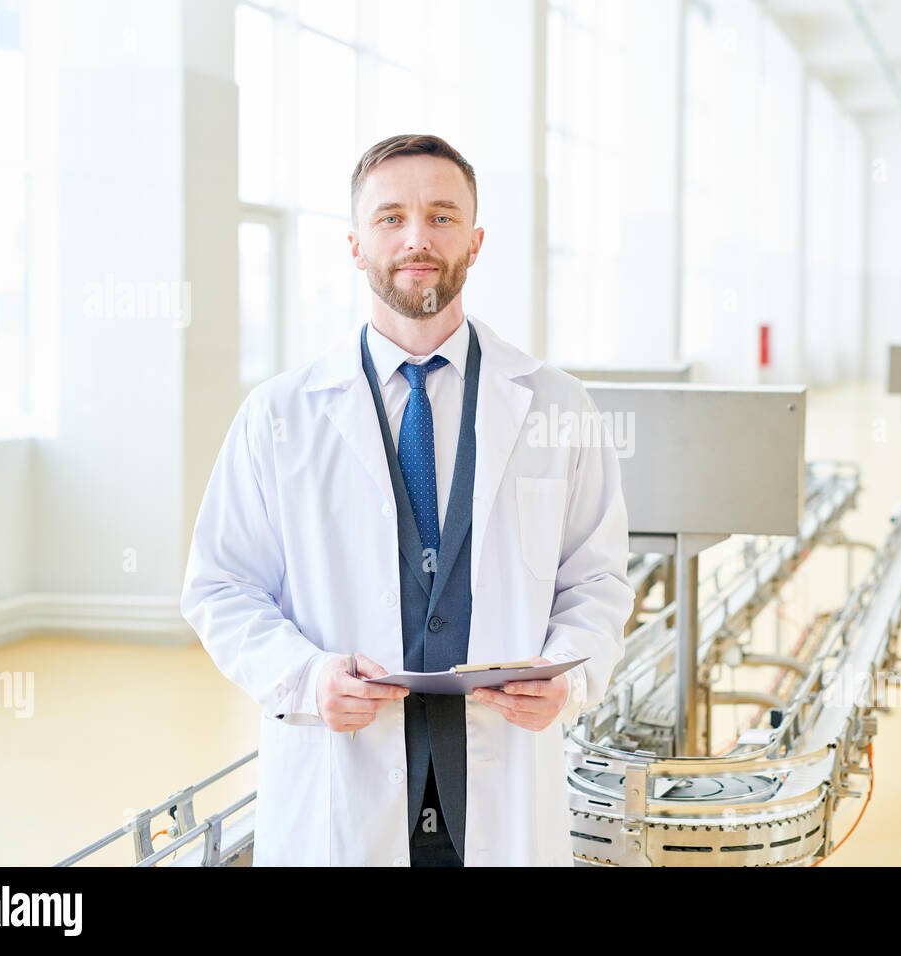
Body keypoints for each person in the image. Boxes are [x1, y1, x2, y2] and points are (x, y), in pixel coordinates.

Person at [180, 133, 633, 866]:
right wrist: (306, 677)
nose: (417, 237)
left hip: (499, 781)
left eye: (442, 216)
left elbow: (597, 579)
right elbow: (221, 586)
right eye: (390, 218)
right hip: (343, 782)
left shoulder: (558, 406)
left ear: (476, 241)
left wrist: (570, 675)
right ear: (355, 244)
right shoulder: (279, 415)